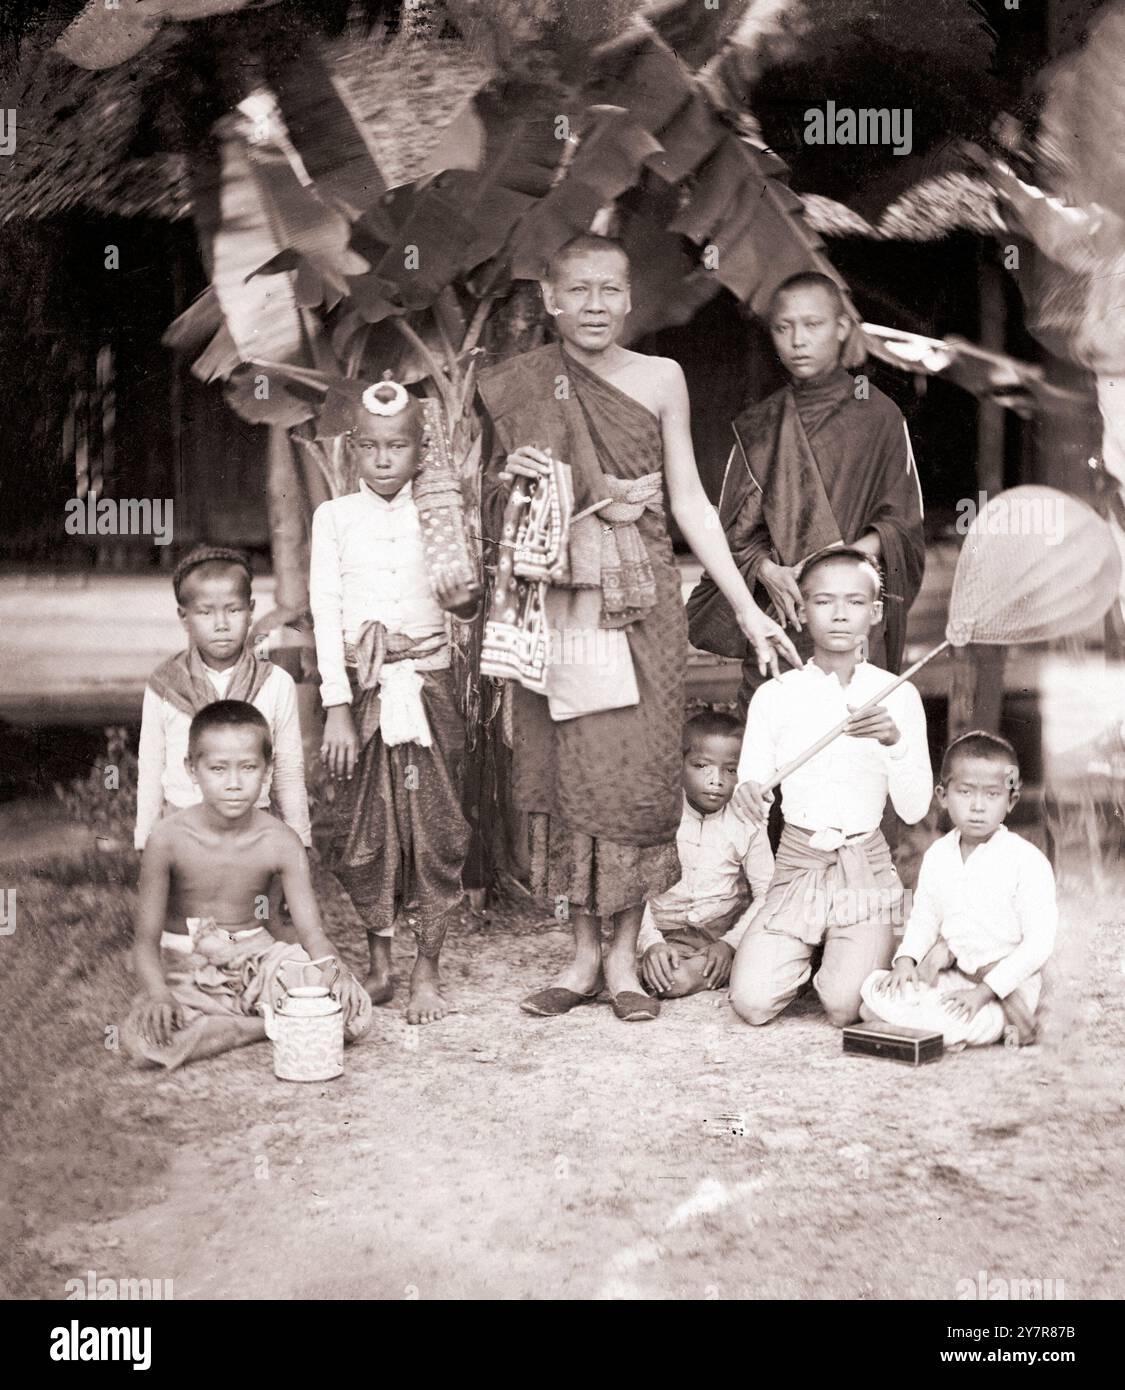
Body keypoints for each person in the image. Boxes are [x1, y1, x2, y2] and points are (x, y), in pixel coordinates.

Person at [478, 232, 800, 1023]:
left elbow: (687, 499)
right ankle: (582, 957)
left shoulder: (662, 378)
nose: (594, 304)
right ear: (549, 300)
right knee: (567, 771)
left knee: (633, 776)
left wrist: (750, 611)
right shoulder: (520, 383)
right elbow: (494, 505)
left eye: (609, 290)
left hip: (643, 600)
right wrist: (505, 483)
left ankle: (624, 960)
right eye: (577, 289)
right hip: (558, 600)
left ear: (629, 300)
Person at [310, 377, 481, 1025]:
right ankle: (379, 961)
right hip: (361, 693)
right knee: (365, 833)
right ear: (353, 448)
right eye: (372, 447)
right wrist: (333, 705)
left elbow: (467, 610)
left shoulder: (442, 514)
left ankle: (426, 968)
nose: (384, 459)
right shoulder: (333, 518)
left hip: (428, 683)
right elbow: (326, 613)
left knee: (435, 831)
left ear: (419, 449)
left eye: (398, 446)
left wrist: (462, 599)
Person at [687, 271, 925, 718]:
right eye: (783, 327)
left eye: (812, 325)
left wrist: (841, 569)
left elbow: (902, 527)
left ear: (841, 328)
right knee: (773, 747)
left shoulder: (879, 417)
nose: (797, 340)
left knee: (852, 748)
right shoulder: (760, 427)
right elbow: (731, 534)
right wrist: (767, 570)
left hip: (849, 616)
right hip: (783, 616)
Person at [728, 547, 933, 1028]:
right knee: (753, 1003)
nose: (840, 614)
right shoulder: (776, 696)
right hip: (798, 862)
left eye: (855, 602)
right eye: (822, 601)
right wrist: (749, 795)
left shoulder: (898, 695)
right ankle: (810, 946)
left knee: (844, 1007)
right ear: (800, 610)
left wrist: (895, 741)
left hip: (864, 863)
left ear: (876, 612)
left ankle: (843, 949)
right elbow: (753, 788)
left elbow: (914, 806)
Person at [123, 701, 370, 1069]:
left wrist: (339, 975)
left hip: (259, 961)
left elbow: (312, 935)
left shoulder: (281, 841)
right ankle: (266, 1025)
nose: (234, 783)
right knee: (142, 1042)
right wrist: (159, 995)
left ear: (267, 770)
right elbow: (144, 942)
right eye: (218, 769)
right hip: (189, 971)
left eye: (249, 767)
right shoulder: (167, 839)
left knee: (356, 1013)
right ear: (192, 769)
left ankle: (236, 1027)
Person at [860, 731, 1056, 1047]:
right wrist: (906, 961)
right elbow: (924, 917)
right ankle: (923, 1023)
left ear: (1011, 800)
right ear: (943, 795)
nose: (977, 806)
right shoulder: (939, 854)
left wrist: (984, 992)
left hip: (1004, 987)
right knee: (874, 995)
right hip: (954, 977)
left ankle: (977, 1025)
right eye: (965, 792)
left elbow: (1039, 945)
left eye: (992, 795)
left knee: (946, 1021)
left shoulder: (1026, 861)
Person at [134, 545, 311, 853]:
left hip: (255, 831)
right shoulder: (165, 684)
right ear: (184, 617)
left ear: (251, 609)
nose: (221, 624)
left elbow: (289, 768)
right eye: (205, 612)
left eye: (233, 610)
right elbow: (151, 767)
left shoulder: (275, 683)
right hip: (183, 833)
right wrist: (145, 838)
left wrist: (300, 839)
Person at [636, 711, 774, 1007]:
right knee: (669, 976)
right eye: (701, 766)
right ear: (679, 766)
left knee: (678, 980)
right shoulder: (658, 813)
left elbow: (767, 892)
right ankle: (648, 964)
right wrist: (651, 943)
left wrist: (730, 944)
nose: (716, 781)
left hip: (720, 930)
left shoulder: (747, 818)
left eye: (731, 770)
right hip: (662, 929)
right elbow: (632, 889)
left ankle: (723, 963)